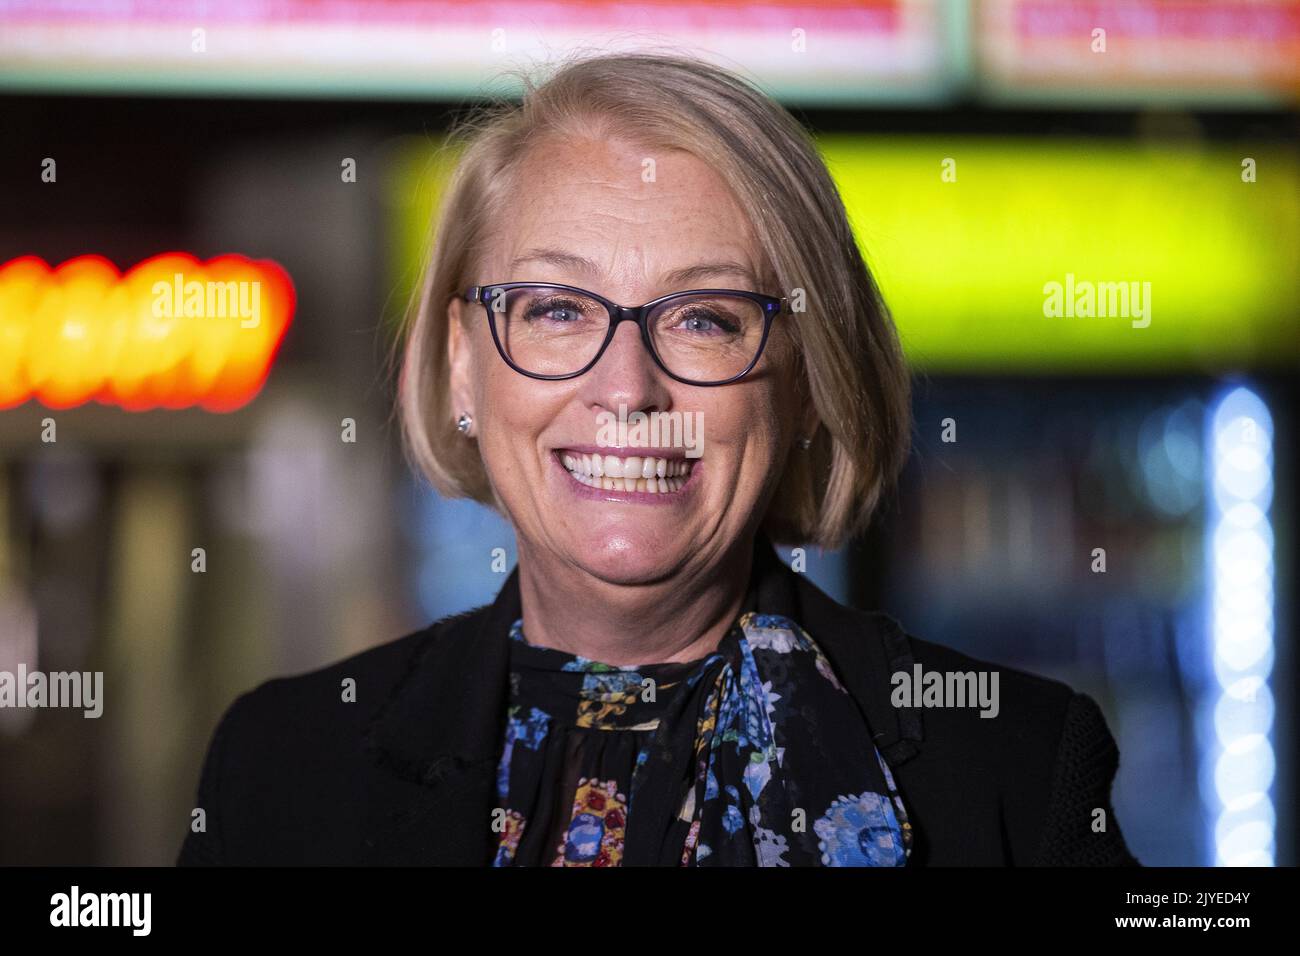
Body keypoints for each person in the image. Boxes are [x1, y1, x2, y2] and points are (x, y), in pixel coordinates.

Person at [178, 51, 1137, 867]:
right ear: (464, 367)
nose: (628, 390)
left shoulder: (1015, 767)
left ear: (809, 383)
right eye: (556, 309)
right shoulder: (281, 766)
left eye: (704, 319)